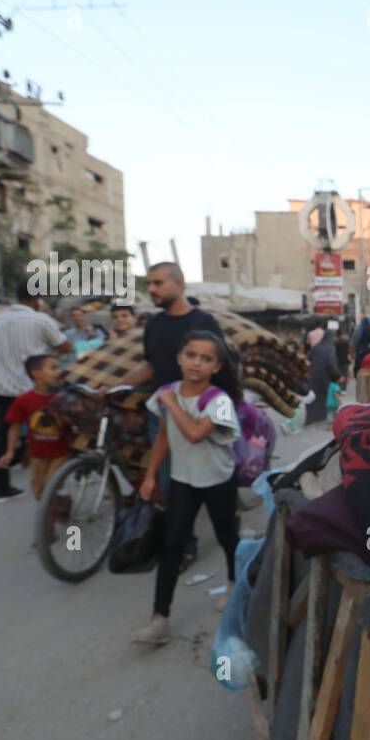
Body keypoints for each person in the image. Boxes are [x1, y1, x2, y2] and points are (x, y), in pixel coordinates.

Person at [132, 331, 243, 646]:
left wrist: (171, 402)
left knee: (227, 536)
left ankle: (236, 585)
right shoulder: (168, 392)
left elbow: (194, 433)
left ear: (217, 366)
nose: (197, 363)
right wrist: (151, 475)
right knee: (172, 544)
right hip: (182, 478)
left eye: (206, 358)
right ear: (179, 358)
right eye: (191, 355)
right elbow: (165, 436)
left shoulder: (219, 401)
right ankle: (159, 618)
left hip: (217, 478)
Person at [119, 262, 227, 570]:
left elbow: (221, 369)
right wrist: (113, 386)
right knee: (170, 483)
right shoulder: (153, 325)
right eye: (149, 284)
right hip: (163, 418)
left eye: (158, 283)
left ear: (179, 285)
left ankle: (227, 532)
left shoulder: (204, 323)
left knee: (206, 481)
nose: (151, 289)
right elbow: (152, 367)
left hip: (198, 417)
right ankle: (184, 543)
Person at [0, 284, 72, 504]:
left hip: (6, 388)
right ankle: (56, 484)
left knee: (4, 432)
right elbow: (66, 347)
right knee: (52, 428)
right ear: (37, 300)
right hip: (37, 388)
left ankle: (1, 487)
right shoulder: (41, 320)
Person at [0, 354, 71, 500]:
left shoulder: (65, 396)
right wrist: (10, 452)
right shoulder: (23, 400)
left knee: (51, 486)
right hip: (37, 455)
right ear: (36, 374)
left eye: (58, 367)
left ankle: (50, 518)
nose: (59, 372)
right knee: (39, 493)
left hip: (62, 452)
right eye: (53, 368)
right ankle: (61, 506)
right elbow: (14, 426)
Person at [303, 315, 341, 426]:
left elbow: (307, 359)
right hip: (324, 377)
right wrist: (337, 376)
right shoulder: (330, 348)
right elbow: (331, 364)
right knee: (323, 396)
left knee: (312, 396)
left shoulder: (316, 347)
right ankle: (321, 417)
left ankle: (310, 418)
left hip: (312, 375)